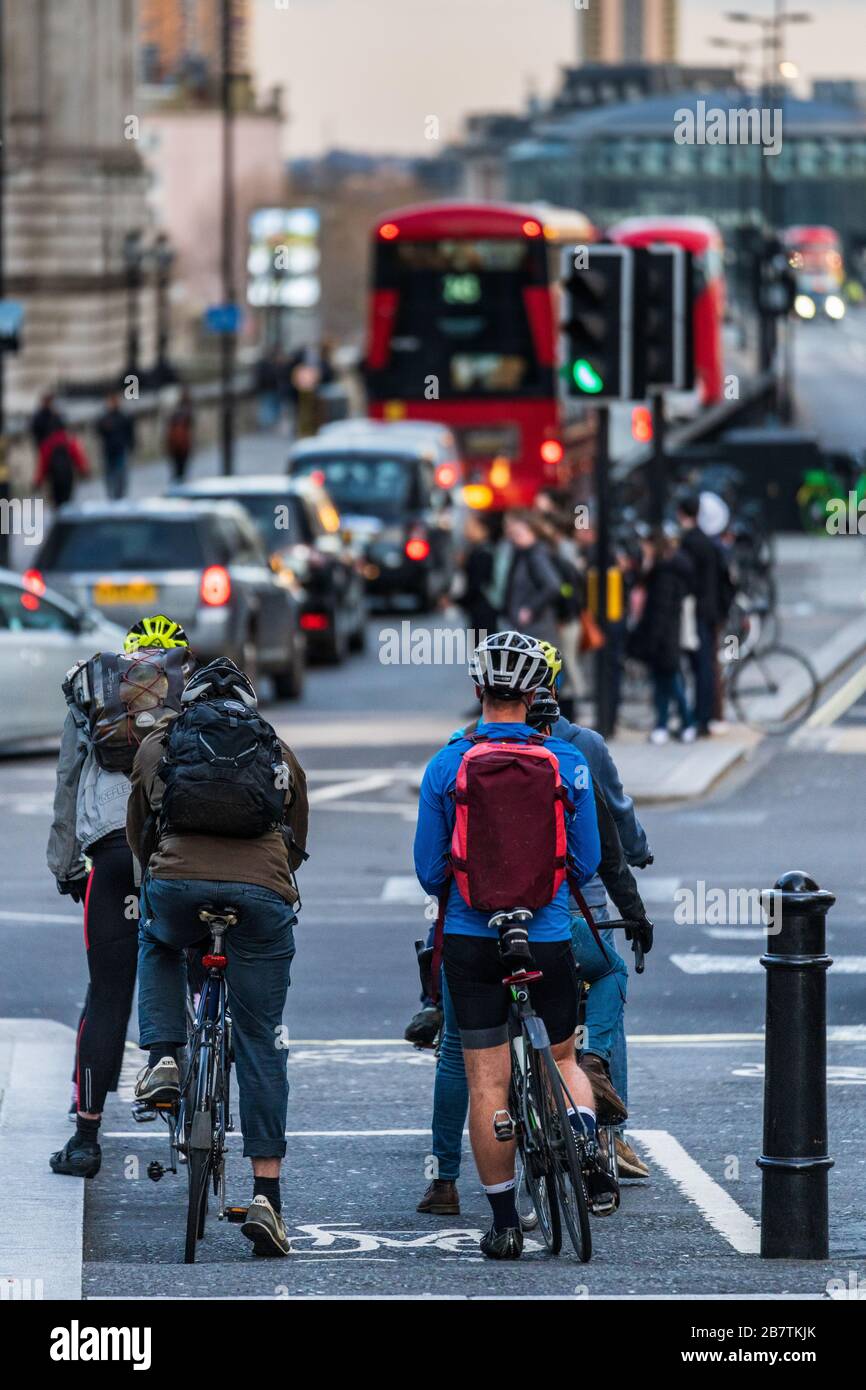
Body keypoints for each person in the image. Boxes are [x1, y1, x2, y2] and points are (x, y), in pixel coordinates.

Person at [415, 681, 652, 1218]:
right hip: (547, 934)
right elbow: (590, 861)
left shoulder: (449, 761)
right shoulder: (570, 758)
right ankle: (590, 1138)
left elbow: (430, 873)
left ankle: (482, 1208)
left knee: (477, 1072)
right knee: (565, 1054)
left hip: (474, 938)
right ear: (537, 697)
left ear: (477, 690)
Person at [128, 658, 309, 1258]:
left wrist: (161, 877)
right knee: (259, 1039)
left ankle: (164, 1058)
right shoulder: (277, 750)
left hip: (178, 886)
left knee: (156, 940)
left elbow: (140, 829)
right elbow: (297, 840)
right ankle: (266, 1198)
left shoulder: (163, 741)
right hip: (260, 896)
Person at [47, 615, 193, 1178]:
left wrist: (65, 866)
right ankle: (188, 1076)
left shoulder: (93, 691)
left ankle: (86, 1135)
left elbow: (67, 779)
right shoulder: (201, 689)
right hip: (178, 851)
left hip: (109, 852)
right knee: (194, 965)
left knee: (108, 991)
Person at [540, 640, 655, 1181]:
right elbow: (614, 819)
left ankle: (448, 1168)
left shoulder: (470, 744)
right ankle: (611, 1134)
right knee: (608, 979)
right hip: (579, 908)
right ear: (556, 686)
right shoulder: (583, 746)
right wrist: (639, 853)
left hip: (489, 914)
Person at [628, 532, 696, 746]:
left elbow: (660, 612)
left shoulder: (663, 575)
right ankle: (668, 724)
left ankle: (683, 723)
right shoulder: (660, 571)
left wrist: (652, 641)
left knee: (670, 683)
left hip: (663, 640)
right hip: (663, 638)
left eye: (646, 548)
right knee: (665, 684)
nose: (643, 552)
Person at [676, 494, 727, 737]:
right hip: (711, 610)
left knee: (700, 665)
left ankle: (701, 719)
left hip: (696, 610)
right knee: (706, 664)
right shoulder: (707, 541)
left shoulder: (690, 542)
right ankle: (705, 717)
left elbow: (687, 579)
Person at [502, 511, 561, 640]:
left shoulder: (536, 554)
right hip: (527, 626)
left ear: (532, 531)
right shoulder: (521, 553)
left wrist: (530, 609)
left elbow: (553, 585)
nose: (514, 537)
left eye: (518, 533)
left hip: (537, 628)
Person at [34, 424, 89, 508]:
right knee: (68, 501)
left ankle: (60, 518)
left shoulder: (48, 443)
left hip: (54, 479)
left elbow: (43, 465)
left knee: (57, 503)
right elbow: (77, 457)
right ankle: (68, 517)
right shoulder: (68, 441)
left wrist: (38, 482)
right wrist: (83, 471)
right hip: (68, 476)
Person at [96, 393, 135, 500]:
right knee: (110, 476)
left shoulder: (124, 416)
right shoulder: (104, 417)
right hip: (109, 451)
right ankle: (112, 496)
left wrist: (131, 446)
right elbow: (98, 430)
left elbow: (130, 432)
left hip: (120, 450)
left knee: (120, 475)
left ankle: (119, 495)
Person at [164, 389, 195, 482]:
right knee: (180, 469)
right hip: (181, 446)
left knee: (178, 469)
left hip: (179, 446)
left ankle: (178, 482)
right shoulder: (186, 413)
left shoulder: (177, 414)